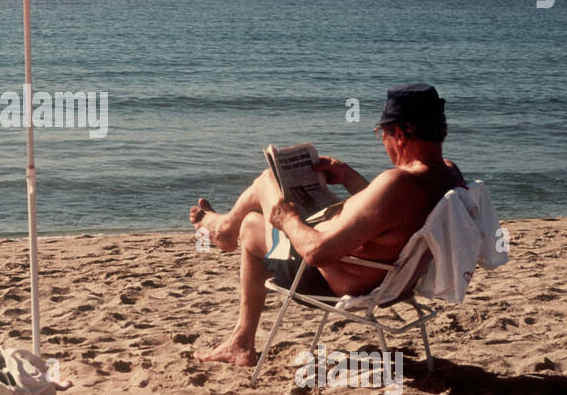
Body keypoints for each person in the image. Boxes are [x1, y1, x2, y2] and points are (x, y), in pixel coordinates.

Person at [188, 83, 466, 366]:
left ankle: (225, 242)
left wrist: (287, 219)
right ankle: (223, 227)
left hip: (332, 282)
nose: (383, 141)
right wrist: (348, 177)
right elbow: (393, 218)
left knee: (259, 200)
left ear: (400, 134)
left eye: (382, 134)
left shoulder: (397, 184)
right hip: (391, 280)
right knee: (270, 198)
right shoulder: (448, 175)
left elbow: (316, 253)